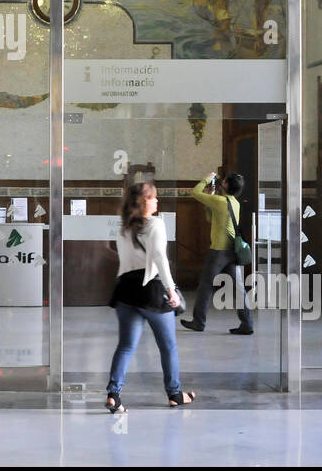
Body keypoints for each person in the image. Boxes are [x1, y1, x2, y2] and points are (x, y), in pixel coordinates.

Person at [104, 180, 195, 412]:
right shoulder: (155, 224)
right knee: (168, 347)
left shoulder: (124, 228)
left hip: (125, 291)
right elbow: (159, 258)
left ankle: (114, 394)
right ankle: (175, 393)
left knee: (125, 346)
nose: (157, 201)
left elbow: (124, 261)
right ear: (145, 201)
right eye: (154, 197)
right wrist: (171, 290)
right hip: (150, 292)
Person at [183, 172, 254, 335]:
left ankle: (198, 322)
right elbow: (211, 218)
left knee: (205, 286)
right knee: (238, 288)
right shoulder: (234, 203)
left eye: (224, 181)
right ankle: (247, 323)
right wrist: (211, 198)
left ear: (227, 185)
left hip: (218, 251)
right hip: (232, 251)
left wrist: (207, 178)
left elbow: (195, 192)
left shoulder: (219, 201)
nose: (222, 182)